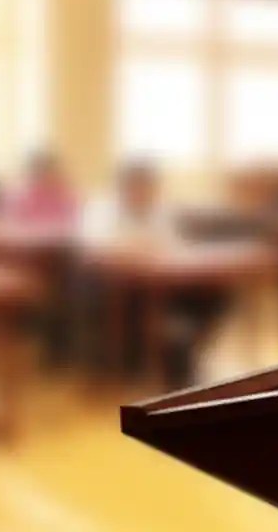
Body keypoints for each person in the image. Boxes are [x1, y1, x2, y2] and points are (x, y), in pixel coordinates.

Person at [78, 161, 222, 387]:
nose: (143, 193)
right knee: (145, 305)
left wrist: (147, 249)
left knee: (215, 289)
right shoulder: (101, 209)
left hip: (161, 280)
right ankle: (164, 350)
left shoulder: (160, 211)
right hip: (110, 286)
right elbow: (96, 247)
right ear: (123, 187)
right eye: (137, 186)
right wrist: (136, 249)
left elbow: (174, 244)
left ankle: (181, 343)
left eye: (148, 187)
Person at [1, 151, 80, 228]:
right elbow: (14, 222)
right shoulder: (22, 195)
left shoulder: (64, 194)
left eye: (49, 170)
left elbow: (71, 221)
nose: (47, 175)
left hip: (58, 237)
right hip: (30, 236)